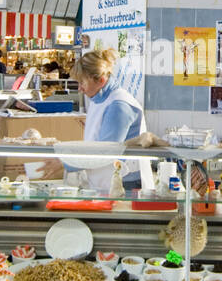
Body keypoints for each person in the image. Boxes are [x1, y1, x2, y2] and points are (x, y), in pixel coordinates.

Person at [38, 48, 145, 190]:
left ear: (101, 80)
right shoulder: (99, 97)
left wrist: (65, 162)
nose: (80, 89)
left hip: (124, 182)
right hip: (107, 177)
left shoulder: (119, 106)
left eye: (82, 83)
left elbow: (105, 152)